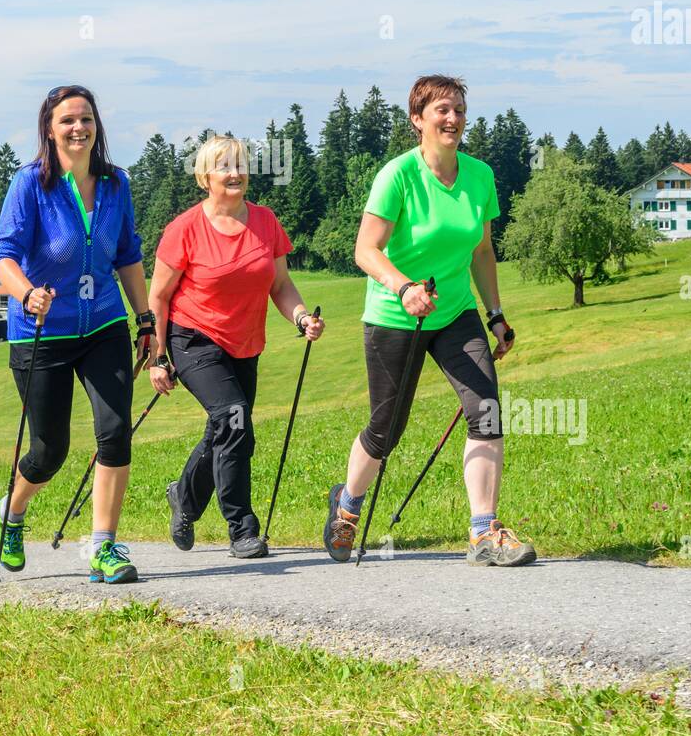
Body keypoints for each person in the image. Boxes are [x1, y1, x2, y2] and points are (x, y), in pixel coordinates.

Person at [323, 74, 536, 568]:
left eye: (460, 109)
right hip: (394, 314)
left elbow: (482, 250)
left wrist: (496, 315)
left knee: (485, 410)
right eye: (442, 109)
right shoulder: (397, 175)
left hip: (455, 311)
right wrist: (404, 287)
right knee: (387, 427)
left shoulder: (479, 176)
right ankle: (348, 505)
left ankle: (484, 531)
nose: (453, 118)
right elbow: (365, 249)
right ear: (418, 119)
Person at [0, 84, 155, 585]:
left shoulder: (116, 184)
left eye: (85, 119)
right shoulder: (29, 185)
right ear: (49, 129)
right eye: (67, 121)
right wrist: (25, 294)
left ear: (96, 125)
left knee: (114, 431)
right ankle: (10, 513)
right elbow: (2, 254)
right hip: (41, 330)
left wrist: (145, 320)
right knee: (49, 450)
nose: (78, 128)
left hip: (103, 324)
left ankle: (104, 547)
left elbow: (127, 254)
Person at [148, 135, 325, 558]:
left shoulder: (265, 221)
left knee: (227, 428)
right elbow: (158, 296)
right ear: (205, 177)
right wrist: (158, 356)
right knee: (235, 420)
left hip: (245, 343)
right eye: (224, 166)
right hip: (192, 337)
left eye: (240, 165)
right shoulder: (185, 228)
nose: (234, 173)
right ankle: (242, 528)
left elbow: (280, 284)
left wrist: (302, 317)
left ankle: (184, 498)